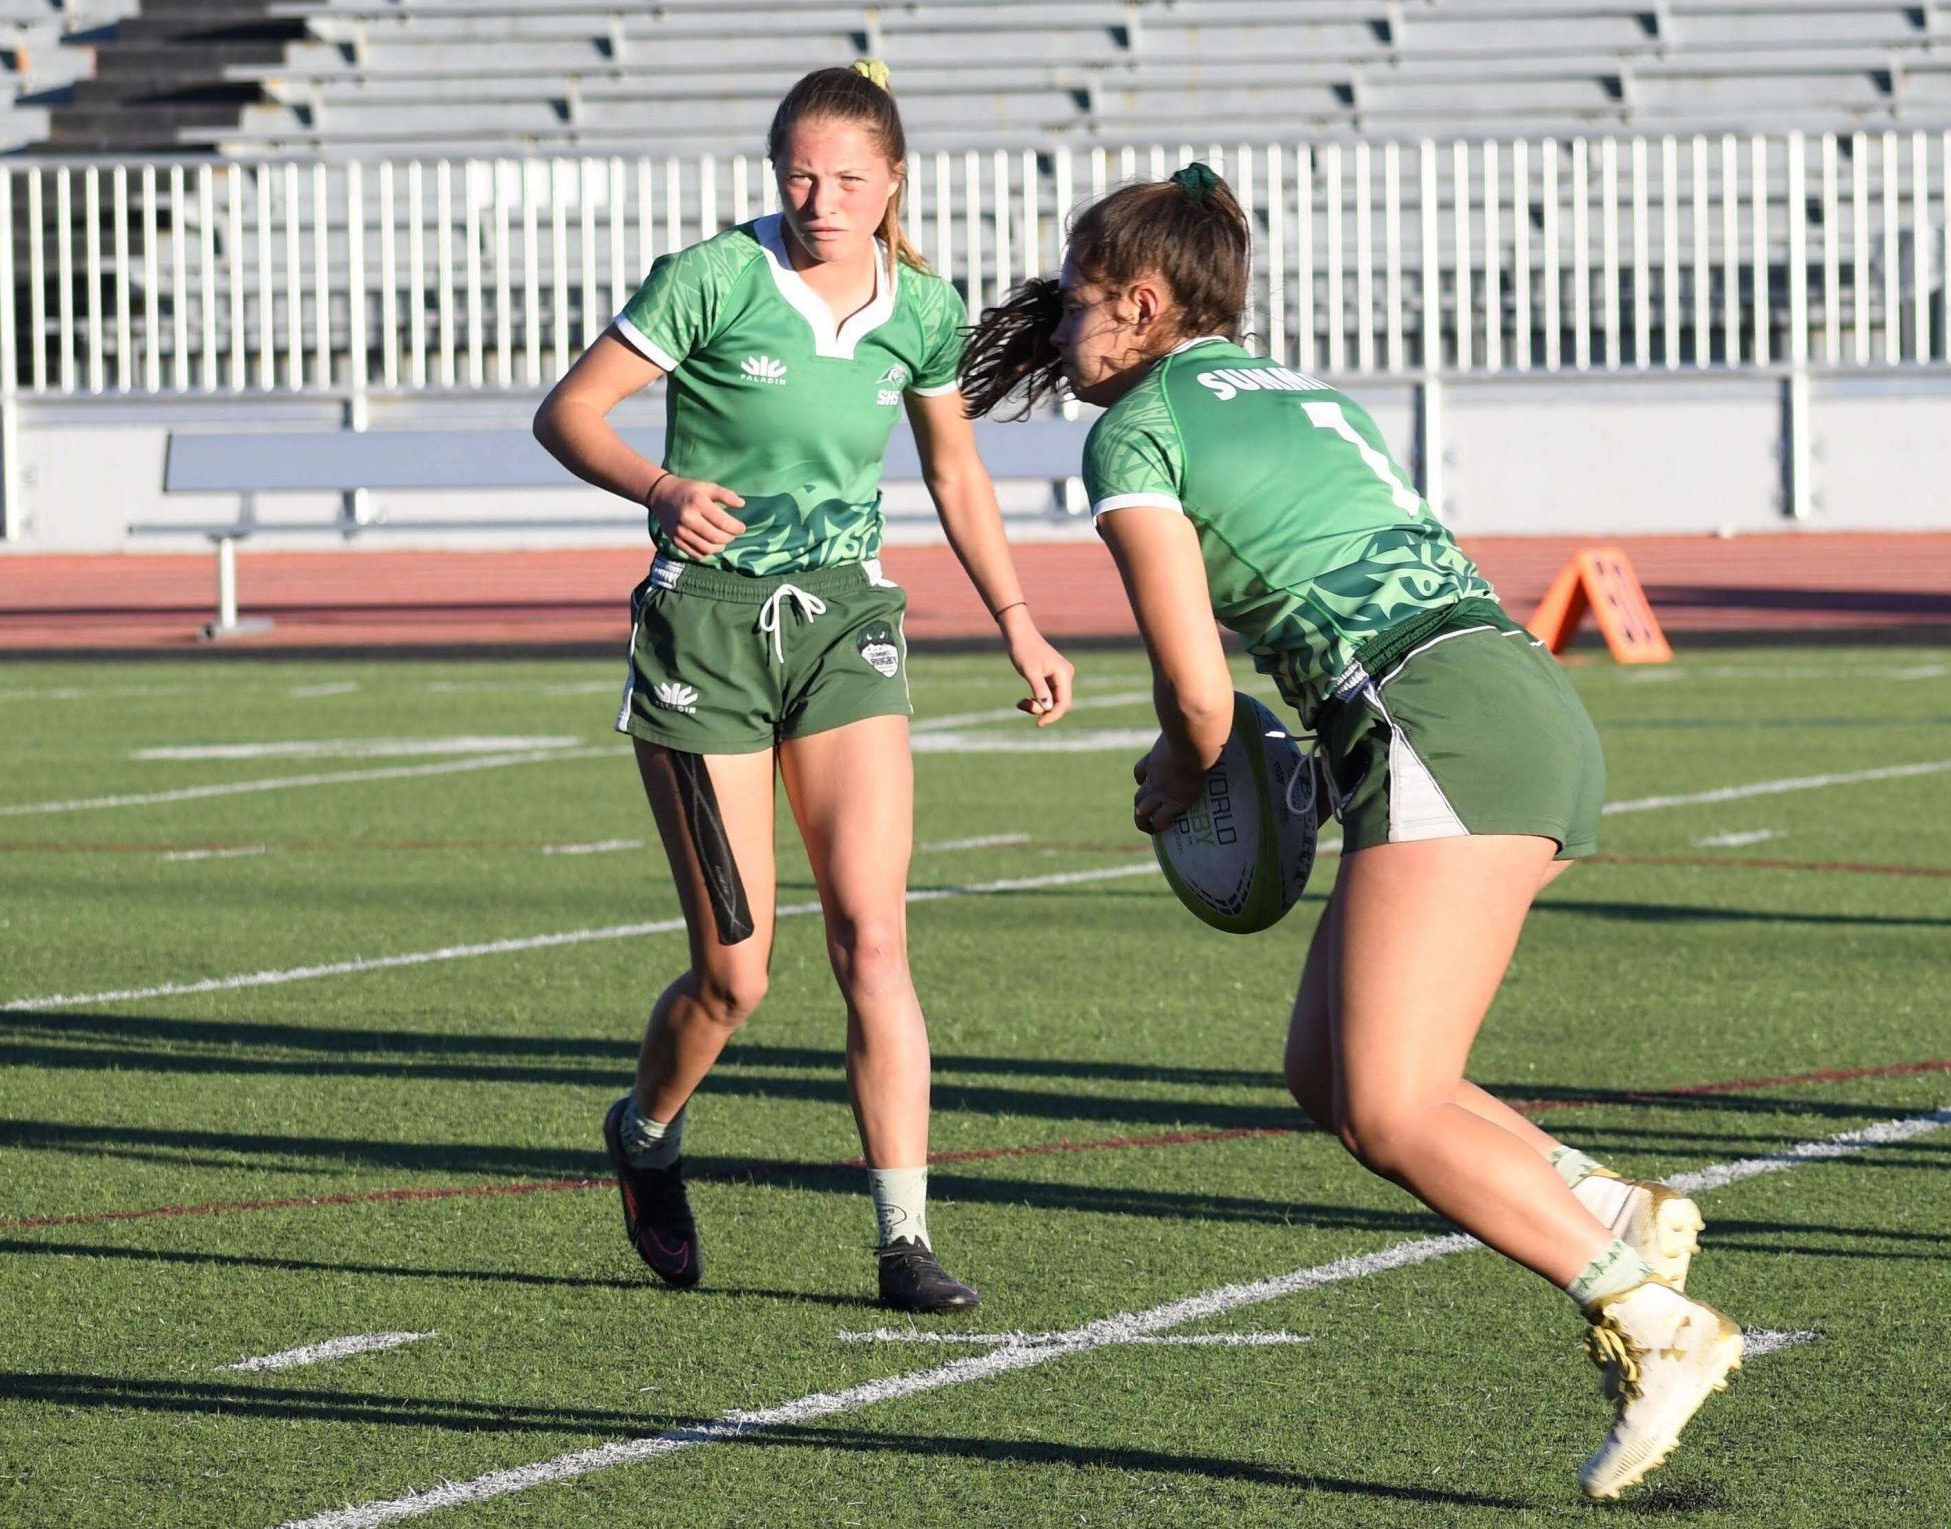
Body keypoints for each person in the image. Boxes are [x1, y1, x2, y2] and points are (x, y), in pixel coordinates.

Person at [959, 163, 1741, 1496]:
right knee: (1331, 1072)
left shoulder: (1137, 429)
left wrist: (1176, 765)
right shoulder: (1296, 386)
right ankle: (1617, 1209)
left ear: (1140, 303)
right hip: (1496, 695)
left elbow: (1200, 686)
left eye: (1081, 299)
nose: (1063, 327)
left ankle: (1653, 1318)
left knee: (1387, 1099)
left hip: (1436, 716)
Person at [534, 61, 1074, 1313]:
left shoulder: (922, 309)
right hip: (704, 637)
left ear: (892, 181)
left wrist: (1018, 621)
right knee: (737, 973)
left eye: (845, 178)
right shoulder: (712, 277)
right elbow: (569, 413)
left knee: (874, 937)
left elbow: (955, 475)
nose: (820, 199)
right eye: (798, 175)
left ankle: (903, 1236)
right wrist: (657, 489)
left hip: (843, 625)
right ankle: (645, 1131)